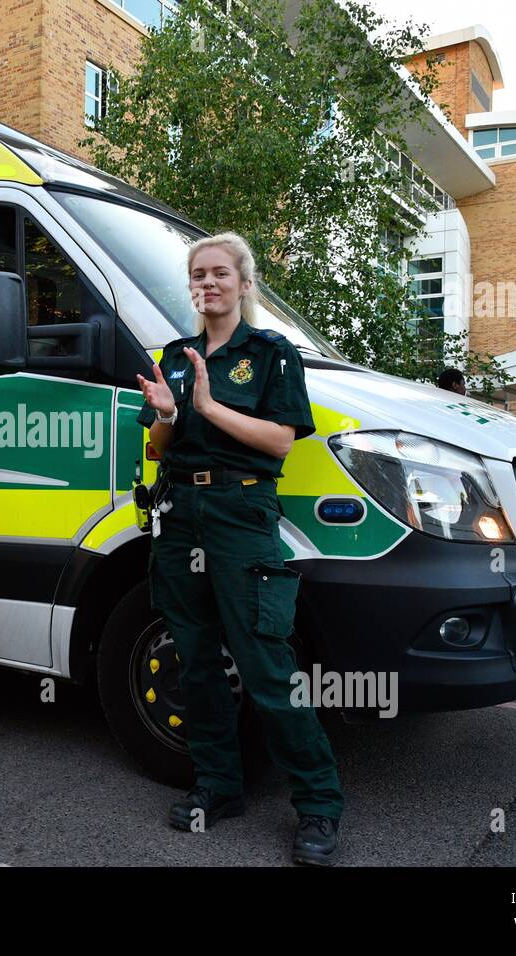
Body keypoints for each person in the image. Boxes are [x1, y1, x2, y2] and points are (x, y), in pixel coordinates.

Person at [135, 232, 343, 866]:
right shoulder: (174, 354)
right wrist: (170, 414)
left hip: (241, 511)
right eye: (199, 274)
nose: (209, 282)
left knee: (264, 664)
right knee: (194, 660)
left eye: (221, 272)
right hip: (180, 512)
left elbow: (281, 441)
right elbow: (156, 449)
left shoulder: (273, 354)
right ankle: (218, 787)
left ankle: (318, 806)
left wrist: (207, 404)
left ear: (245, 284)